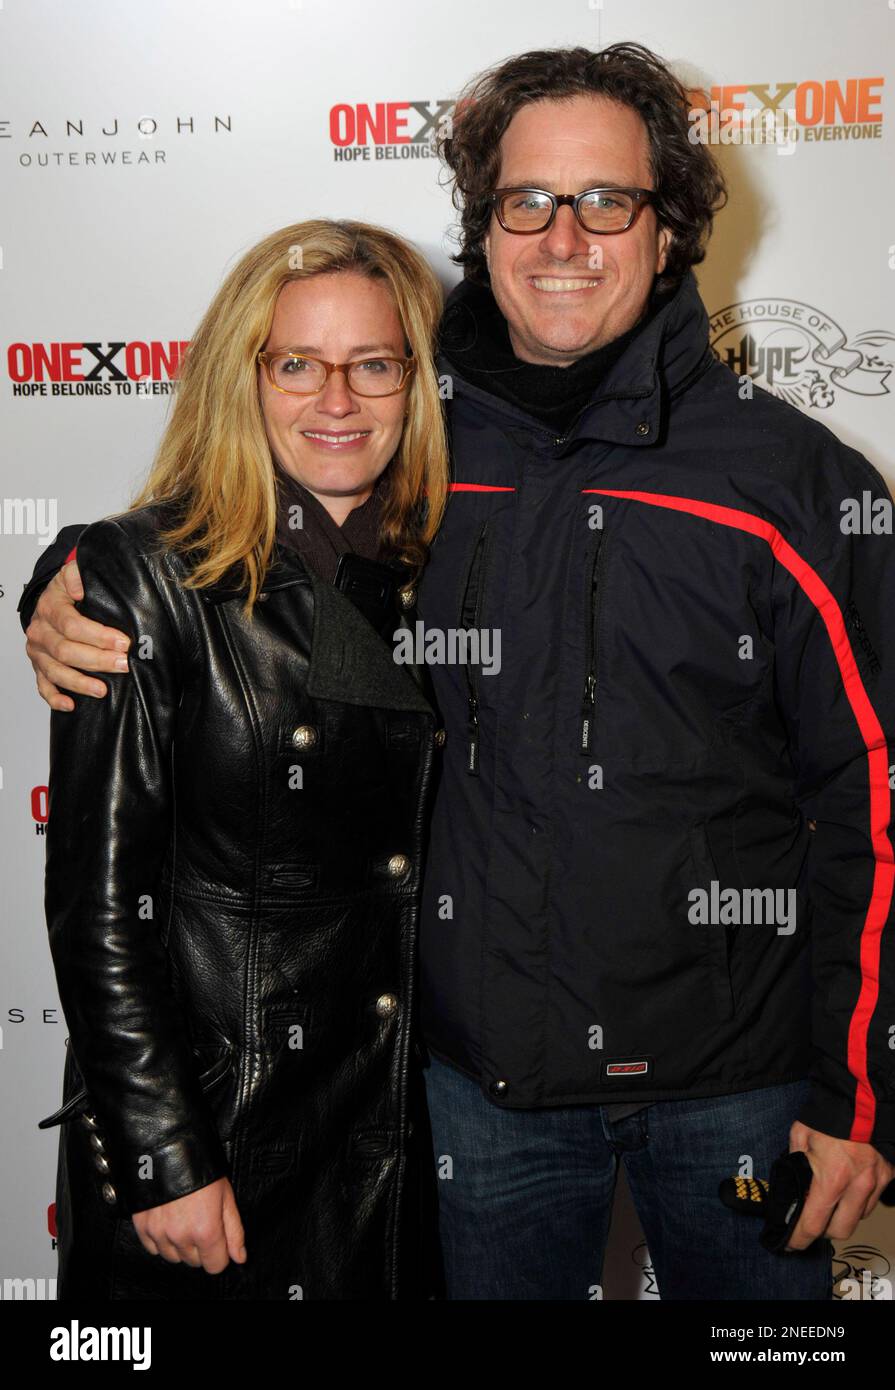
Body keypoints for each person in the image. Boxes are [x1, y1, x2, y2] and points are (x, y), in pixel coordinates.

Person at [21, 43, 895, 1302]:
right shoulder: (421, 440)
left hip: (740, 1093)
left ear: (670, 229)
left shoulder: (796, 483)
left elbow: (869, 789)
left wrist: (857, 1087)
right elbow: (231, 525)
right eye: (525, 201)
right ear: (484, 227)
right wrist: (66, 575)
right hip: (476, 1102)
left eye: (607, 201)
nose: (563, 238)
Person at [25, 218, 450, 1299]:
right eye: (298, 364)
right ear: (243, 378)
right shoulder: (145, 578)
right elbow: (97, 904)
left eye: (375, 364)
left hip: (393, 1138)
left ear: (418, 381)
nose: (338, 400)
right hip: (218, 1136)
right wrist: (163, 1151)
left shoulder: (431, 571)